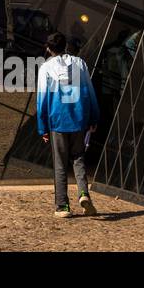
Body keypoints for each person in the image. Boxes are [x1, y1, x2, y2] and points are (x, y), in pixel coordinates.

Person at [37, 31, 100, 218]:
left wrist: (42, 127)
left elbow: (42, 100)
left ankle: (62, 206)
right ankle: (83, 193)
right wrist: (93, 118)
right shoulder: (80, 64)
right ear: (65, 46)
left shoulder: (46, 68)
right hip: (78, 119)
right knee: (78, 158)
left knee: (60, 164)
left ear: (48, 49)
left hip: (57, 120)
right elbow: (90, 93)